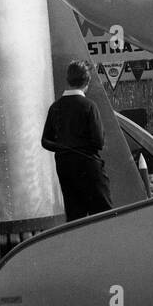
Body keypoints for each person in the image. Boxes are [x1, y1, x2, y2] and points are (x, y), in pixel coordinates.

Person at [40, 60, 113, 222]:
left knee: (75, 218)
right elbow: (98, 141)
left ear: (68, 79)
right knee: (103, 215)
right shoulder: (89, 106)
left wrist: (64, 147)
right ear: (87, 82)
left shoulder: (55, 107)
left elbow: (45, 141)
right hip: (89, 166)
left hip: (65, 167)